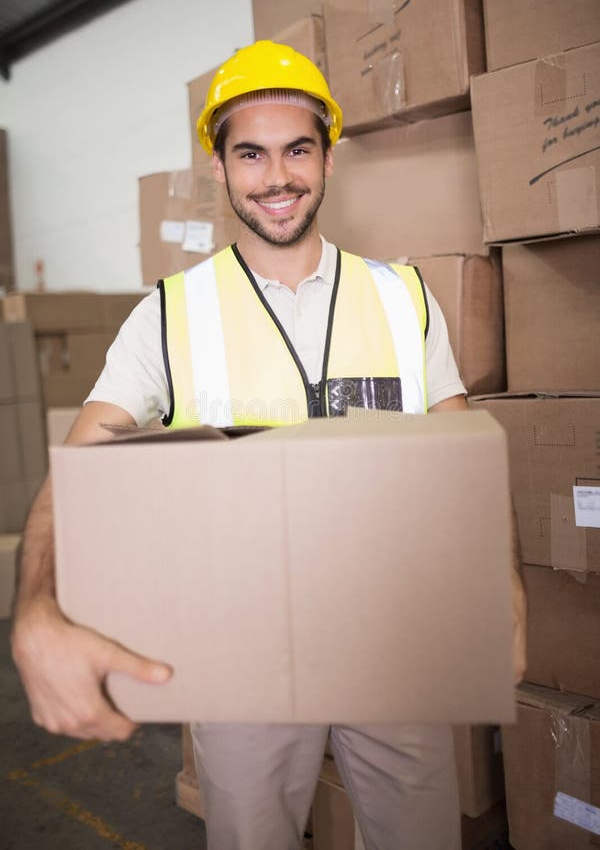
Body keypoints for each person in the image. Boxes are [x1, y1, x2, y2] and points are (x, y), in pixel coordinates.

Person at [11, 41, 526, 850]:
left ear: (328, 155)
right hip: (238, 655)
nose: (277, 177)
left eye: (298, 150)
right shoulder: (169, 314)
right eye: (250, 153)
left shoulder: (404, 299)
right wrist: (35, 606)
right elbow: (78, 469)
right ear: (218, 166)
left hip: (390, 638)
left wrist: (502, 584)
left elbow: (466, 458)